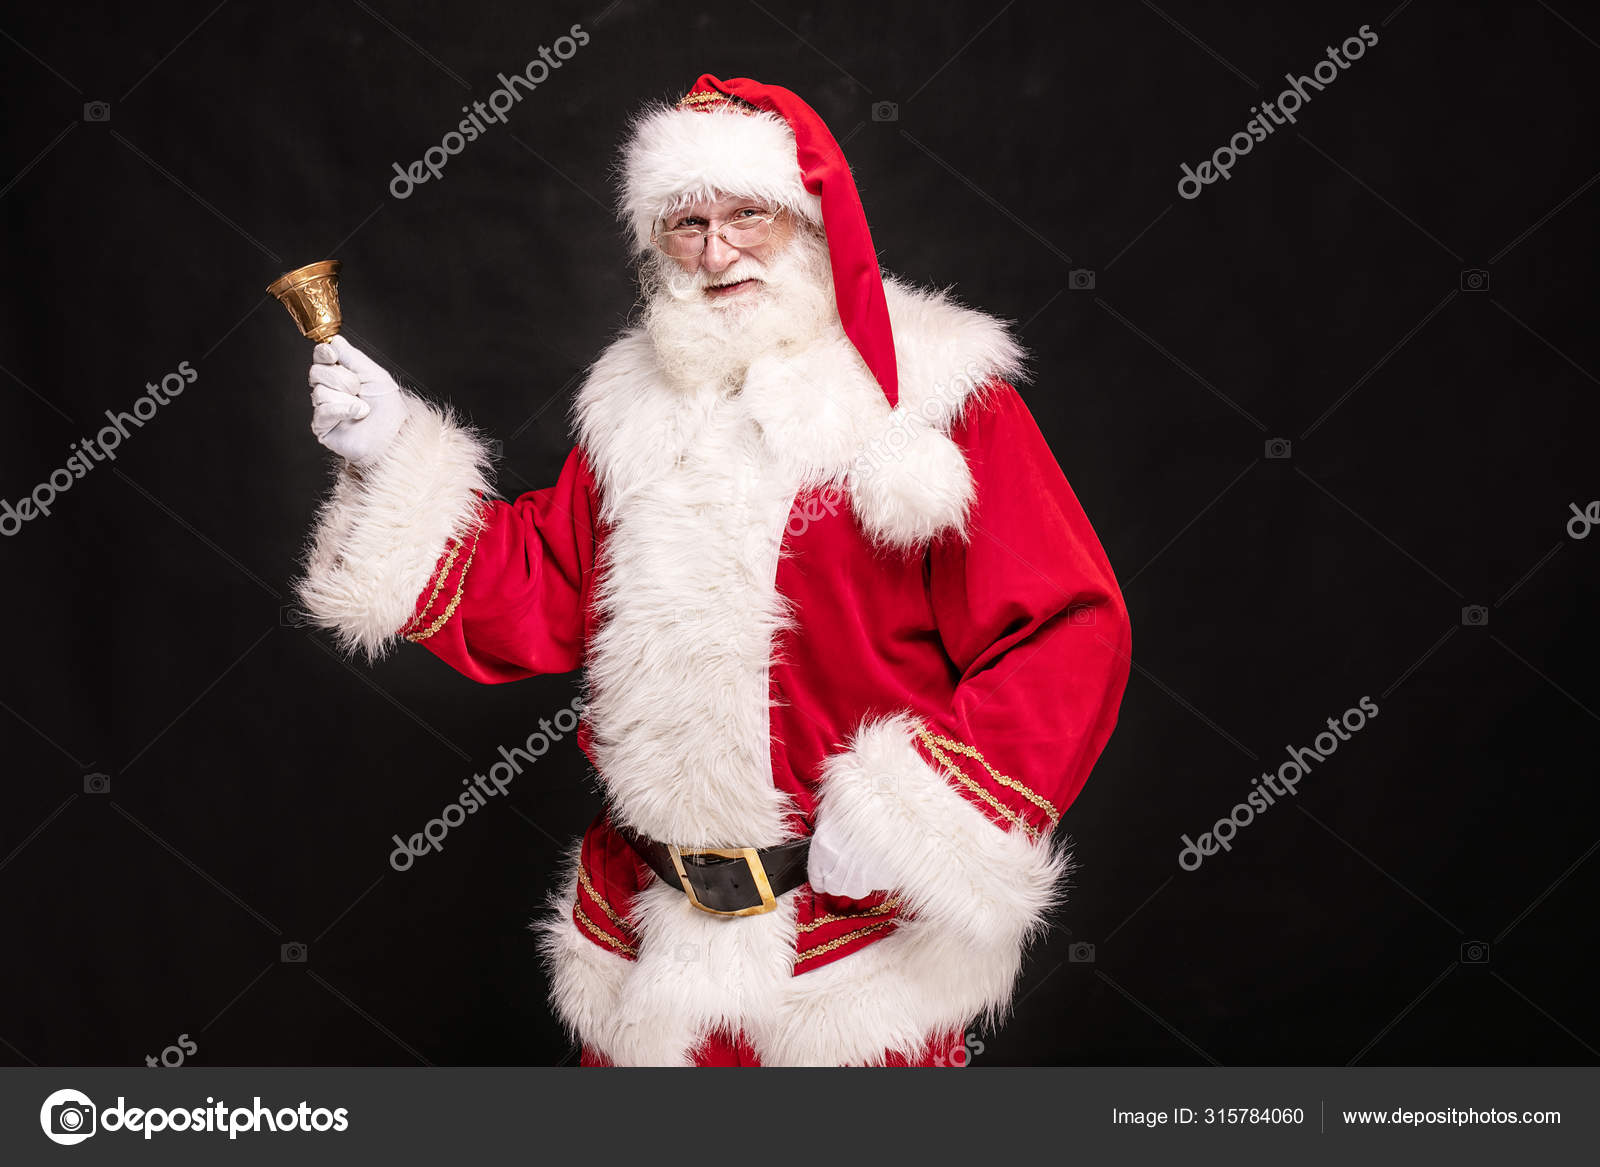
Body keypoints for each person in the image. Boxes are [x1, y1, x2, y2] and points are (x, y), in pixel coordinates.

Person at [295, 73, 1132, 1067]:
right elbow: (542, 587)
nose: (716, 249)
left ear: (813, 223)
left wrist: (911, 817)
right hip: (652, 950)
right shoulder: (629, 407)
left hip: (848, 956)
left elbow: (1069, 627)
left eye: (747, 215)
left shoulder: (939, 398)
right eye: (685, 224)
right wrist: (392, 452)